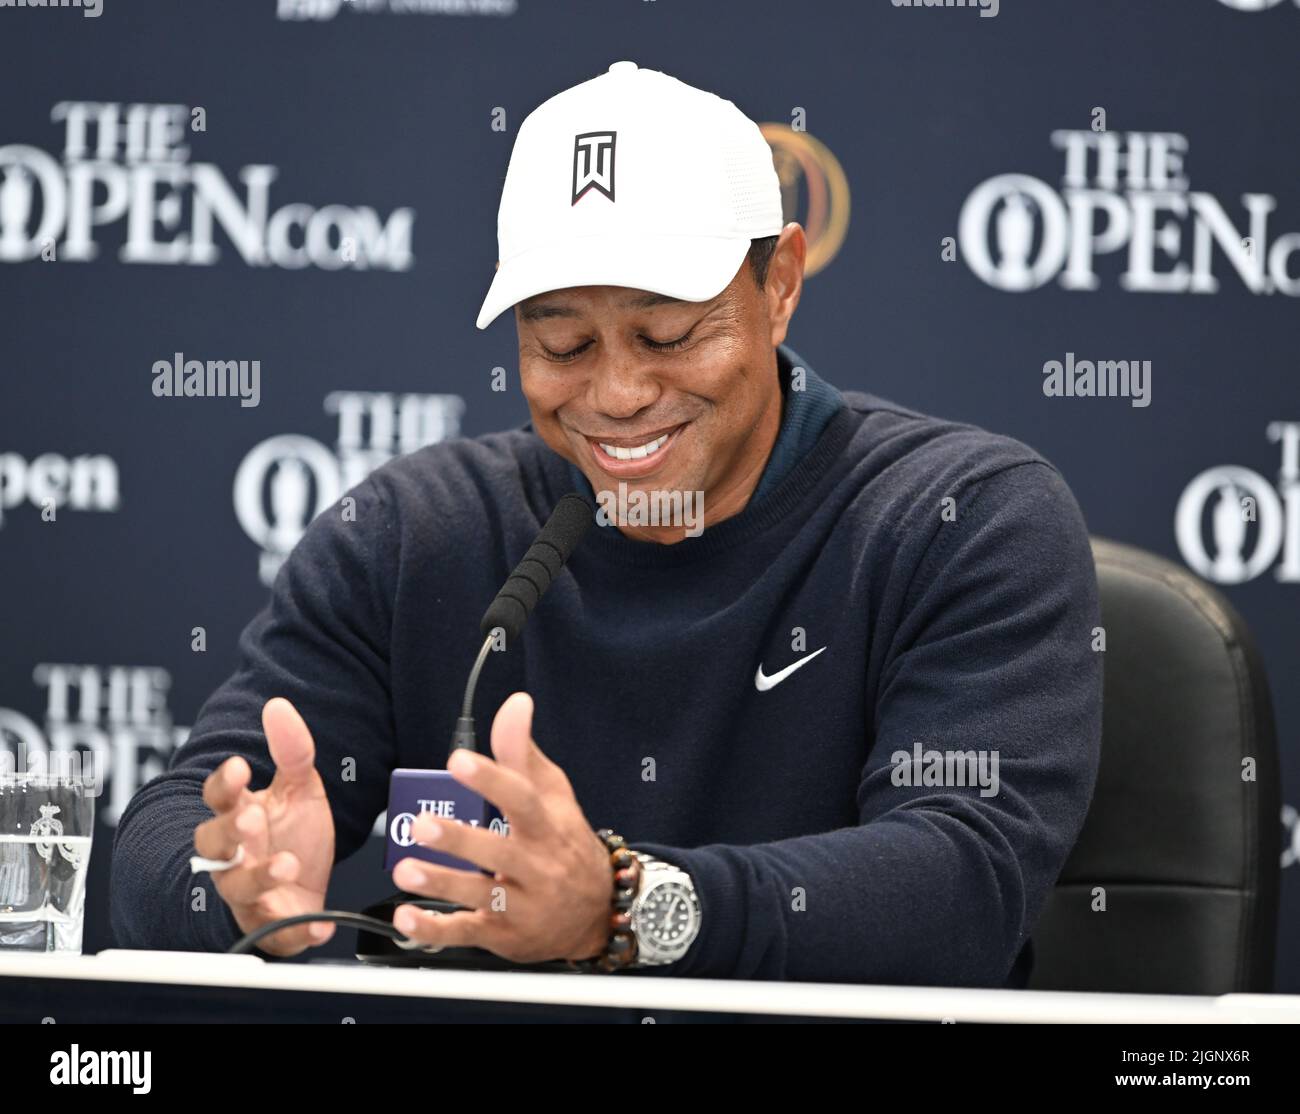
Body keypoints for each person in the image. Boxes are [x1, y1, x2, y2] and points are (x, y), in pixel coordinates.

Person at [110, 61, 1103, 984]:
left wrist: (624, 907)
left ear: (781, 285)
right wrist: (227, 883)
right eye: (564, 342)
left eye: (668, 333)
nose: (617, 393)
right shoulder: (413, 534)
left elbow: (962, 887)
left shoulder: (960, 518)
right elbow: (167, 829)